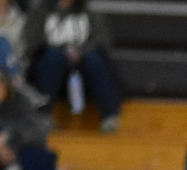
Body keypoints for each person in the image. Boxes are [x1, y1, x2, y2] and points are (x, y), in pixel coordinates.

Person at [22, 0, 117, 132]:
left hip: (82, 64)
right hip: (50, 63)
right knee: (53, 57)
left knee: (93, 59)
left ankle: (109, 116)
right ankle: (43, 115)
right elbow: (32, 41)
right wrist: (62, 50)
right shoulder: (41, 11)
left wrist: (81, 51)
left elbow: (103, 41)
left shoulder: (87, 11)